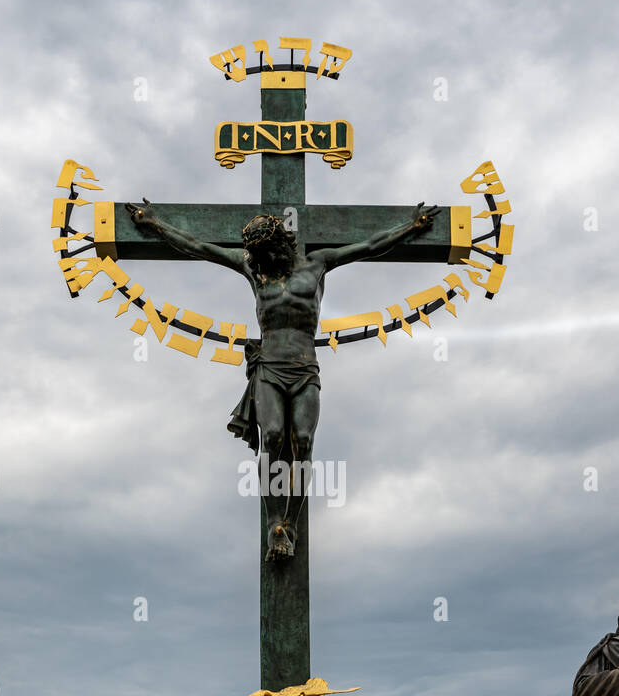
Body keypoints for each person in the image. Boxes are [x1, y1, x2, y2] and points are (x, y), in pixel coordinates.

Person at [128, 201, 438, 560]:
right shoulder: (254, 270)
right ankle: (274, 521)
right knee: (273, 437)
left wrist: (412, 228)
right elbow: (199, 247)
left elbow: (370, 246)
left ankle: (290, 522)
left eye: (269, 254)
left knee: (303, 441)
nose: (264, 263)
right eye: (258, 257)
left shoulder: (318, 265)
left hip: (305, 368)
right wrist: (155, 225)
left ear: (283, 246)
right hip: (270, 368)